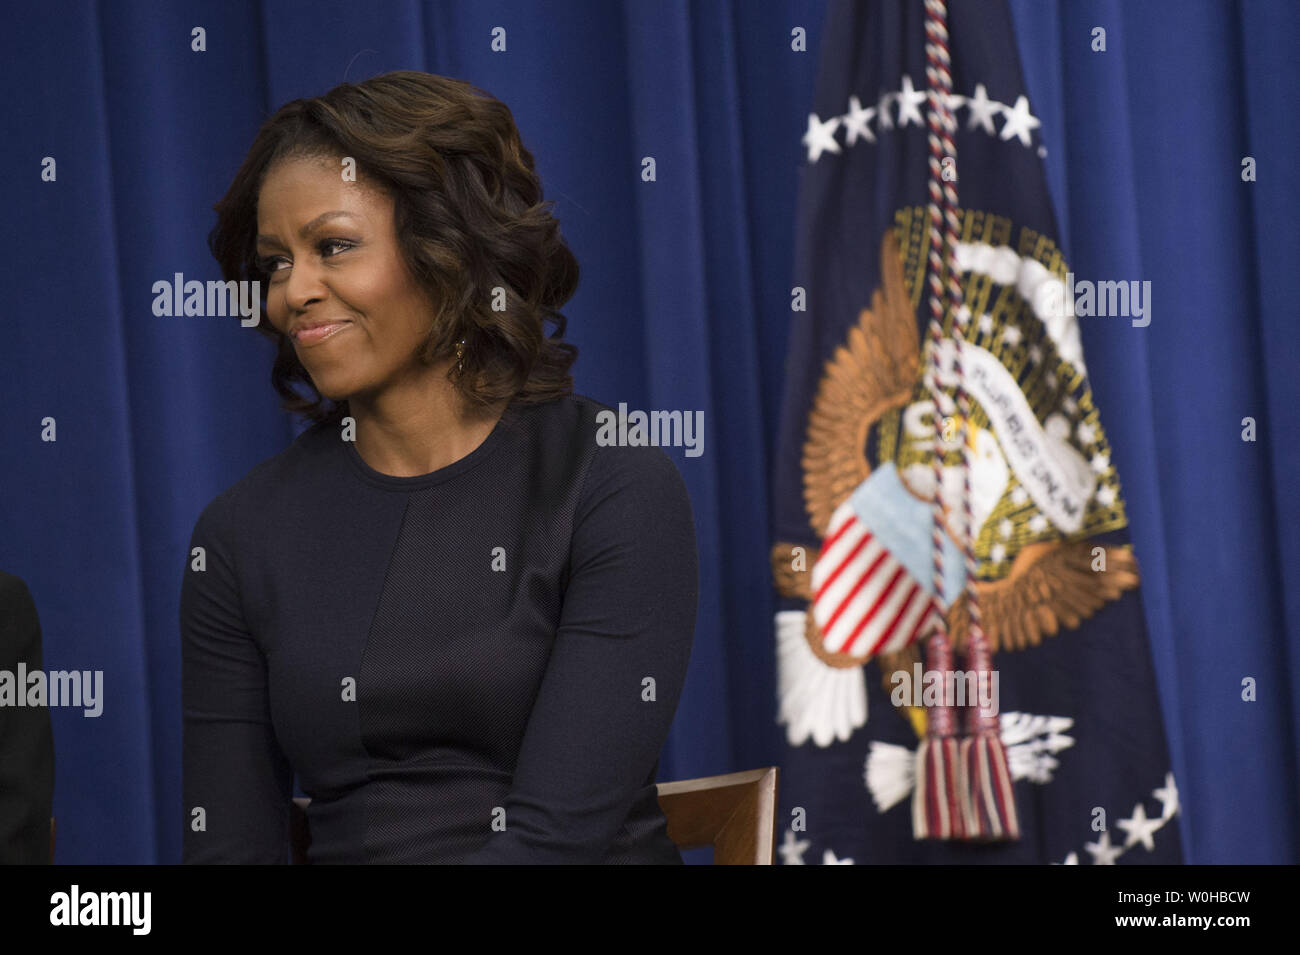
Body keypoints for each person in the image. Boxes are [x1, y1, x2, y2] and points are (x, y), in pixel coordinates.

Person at [183, 71, 698, 864]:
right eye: (277, 262)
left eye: (334, 246)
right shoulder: (238, 535)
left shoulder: (611, 481)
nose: (295, 292)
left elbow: (554, 843)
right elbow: (228, 850)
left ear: (447, 250)